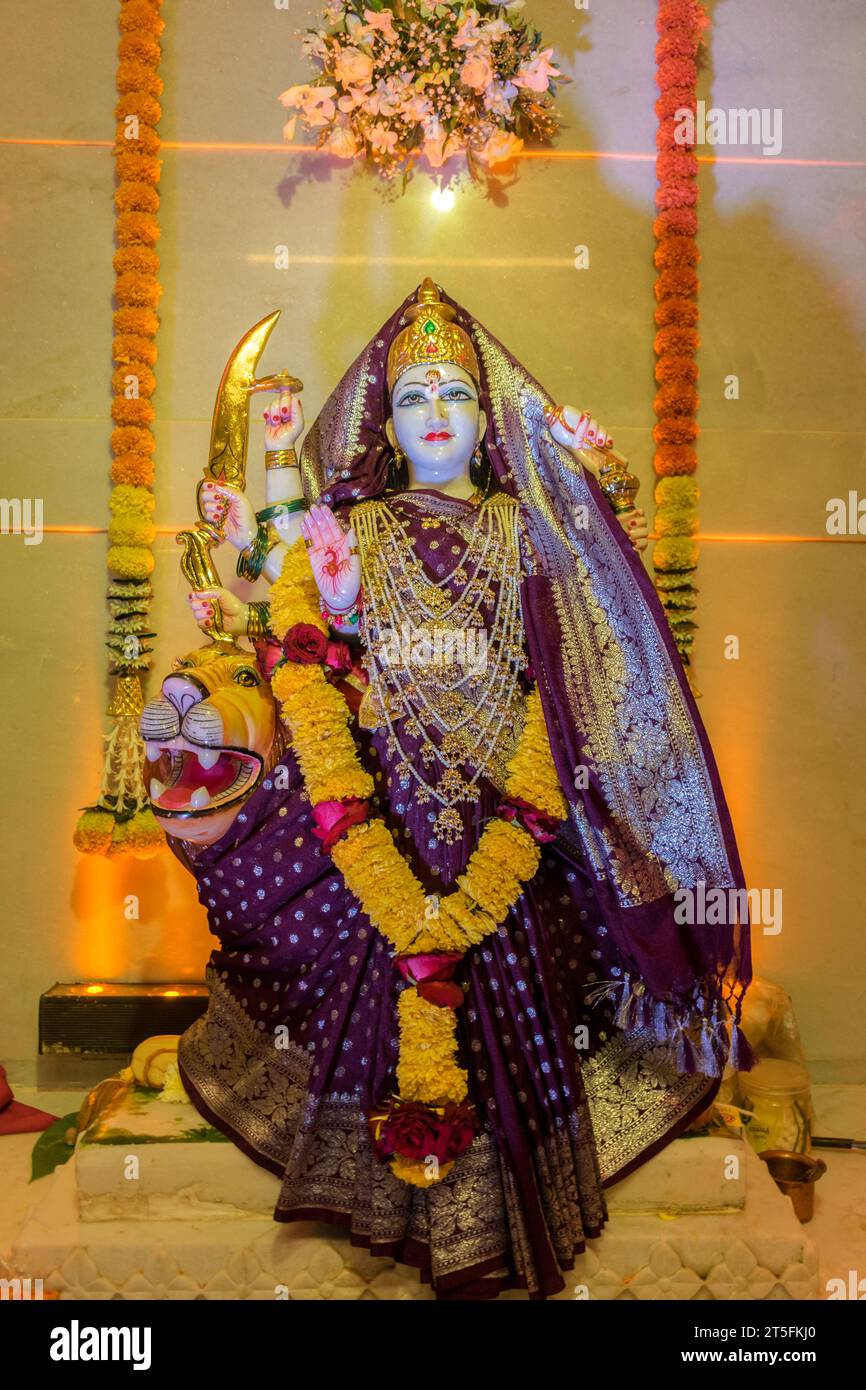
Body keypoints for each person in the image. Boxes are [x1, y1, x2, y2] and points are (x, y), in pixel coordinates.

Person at [174, 278, 752, 1300]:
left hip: (508, 809)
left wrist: (595, 487)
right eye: (411, 399)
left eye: (453, 394)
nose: (434, 413)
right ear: (386, 429)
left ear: (486, 421)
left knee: (543, 958)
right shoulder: (346, 533)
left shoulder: (528, 531)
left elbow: (573, 662)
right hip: (379, 809)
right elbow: (304, 661)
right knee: (351, 958)